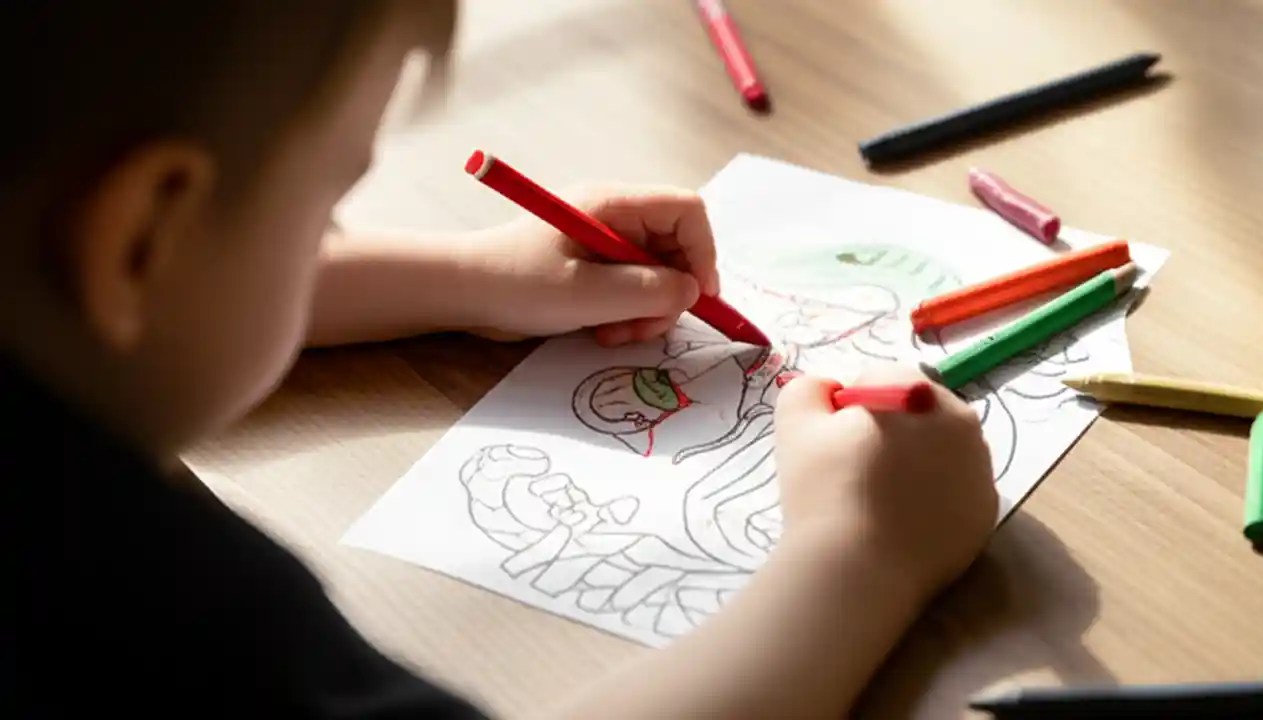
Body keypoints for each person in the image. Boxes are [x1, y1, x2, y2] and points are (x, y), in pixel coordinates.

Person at [4, 2, 997, 718]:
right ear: (143, 242)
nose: (334, 233)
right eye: (328, 200)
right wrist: (857, 553)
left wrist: (466, 277)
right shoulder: (155, 622)